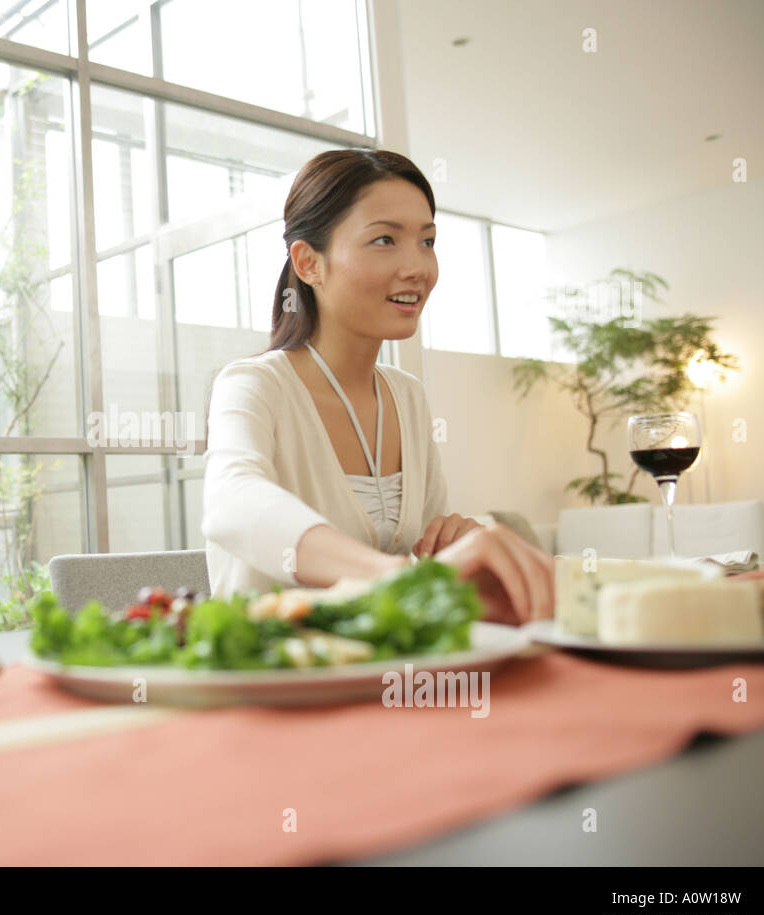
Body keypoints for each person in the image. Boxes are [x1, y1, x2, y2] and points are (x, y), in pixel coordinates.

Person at [201, 147, 554, 625]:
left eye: (427, 242)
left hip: (386, 677)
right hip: (271, 680)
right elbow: (232, 502)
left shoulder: (406, 396)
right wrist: (396, 577)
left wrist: (453, 541)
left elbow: (430, 560)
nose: (417, 268)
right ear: (308, 264)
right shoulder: (254, 385)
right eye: (385, 240)